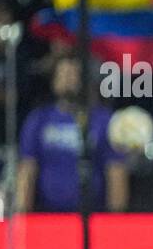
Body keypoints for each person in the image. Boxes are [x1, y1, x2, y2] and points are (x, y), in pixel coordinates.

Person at [16, 55, 128, 213]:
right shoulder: (38, 119)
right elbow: (27, 170)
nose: (67, 80)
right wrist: (22, 216)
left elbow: (116, 172)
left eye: (73, 74)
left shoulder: (105, 120)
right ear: (54, 80)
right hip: (47, 217)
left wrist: (116, 221)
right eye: (62, 74)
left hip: (93, 217)